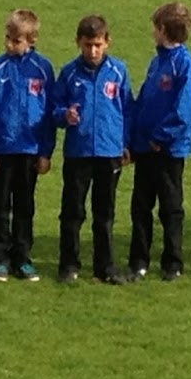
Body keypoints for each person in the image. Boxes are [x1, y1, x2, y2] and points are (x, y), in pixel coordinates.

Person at [52, 15, 132, 285]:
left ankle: (105, 267)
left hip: (110, 152)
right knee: (73, 211)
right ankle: (69, 265)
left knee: (105, 213)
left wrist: (126, 143)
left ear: (107, 42)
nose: (93, 51)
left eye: (97, 45)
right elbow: (54, 108)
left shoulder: (119, 71)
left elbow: (127, 110)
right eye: (87, 45)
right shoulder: (69, 73)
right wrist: (65, 115)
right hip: (79, 152)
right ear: (78, 42)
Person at [0, 9, 56, 282]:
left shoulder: (43, 69)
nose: (10, 45)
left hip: (30, 150)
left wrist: (46, 151)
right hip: (1, 150)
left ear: (32, 40)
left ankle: (22, 258)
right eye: (8, 38)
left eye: (17, 40)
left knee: (25, 206)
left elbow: (49, 113)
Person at [127, 2, 191, 282]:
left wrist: (161, 137)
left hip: (168, 150)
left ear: (164, 30)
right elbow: (144, 101)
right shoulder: (157, 61)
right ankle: (139, 261)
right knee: (141, 206)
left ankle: (173, 262)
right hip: (146, 148)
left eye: (155, 28)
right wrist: (136, 141)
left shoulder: (185, 64)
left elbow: (185, 108)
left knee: (170, 207)